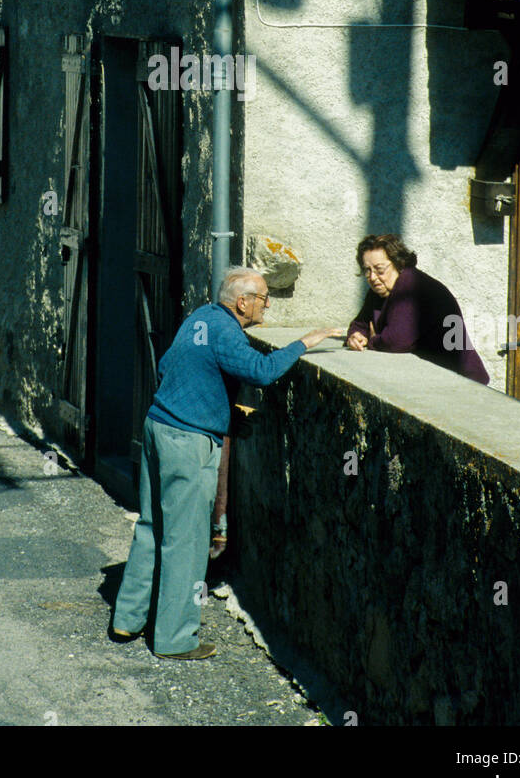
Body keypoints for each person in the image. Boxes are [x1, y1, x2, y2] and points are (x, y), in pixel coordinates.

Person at [111, 266, 346, 659]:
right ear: (243, 302)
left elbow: (169, 366)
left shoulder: (200, 317)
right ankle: (174, 639)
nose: (267, 304)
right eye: (264, 298)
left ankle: (127, 619)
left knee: (152, 527)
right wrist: (305, 342)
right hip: (187, 442)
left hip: (158, 426)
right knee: (186, 542)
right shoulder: (225, 331)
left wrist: (215, 407)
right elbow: (262, 371)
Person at [346, 234, 489, 385]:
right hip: (434, 376)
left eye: (379, 269)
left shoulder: (410, 286)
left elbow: (396, 341)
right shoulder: (379, 291)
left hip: (462, 379)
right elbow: (360, 323)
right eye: (367, 270)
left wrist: (372, 340)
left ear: (398, 263)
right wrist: (356, 336)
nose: (373, 277)